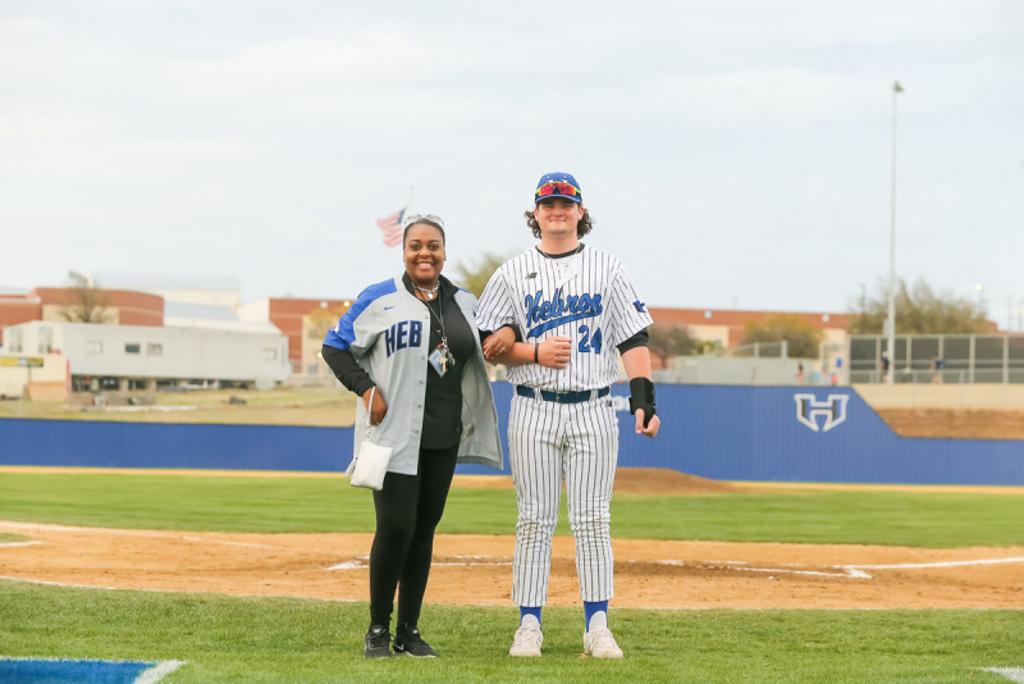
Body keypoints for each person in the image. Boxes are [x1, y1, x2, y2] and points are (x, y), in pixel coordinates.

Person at [476, 172, 661, 659]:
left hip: (595, 405)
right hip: (534, 406)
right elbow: (488, 344)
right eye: (548, 203)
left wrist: (644, 399)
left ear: (581, 212)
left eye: (566, 203)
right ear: (534, 214)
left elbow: (633, 337)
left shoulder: (607, 267)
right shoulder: (511, 273)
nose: (557, 210)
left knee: (593, 520)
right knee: (533, 520)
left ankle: (597, 624)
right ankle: (529, 625)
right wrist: (532, 351)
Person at [321, 214, 502, 658]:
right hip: (393, 434)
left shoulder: (465, 302)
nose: (425, 253)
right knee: (395, 528)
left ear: (444, 251)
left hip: (443, 435)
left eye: (434, 245)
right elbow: (334, 347)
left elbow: (492, 342)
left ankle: (409, 631)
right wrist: (366, 389)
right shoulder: (379, 298)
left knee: (424, 532)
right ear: (403, 251)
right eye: (416, 245)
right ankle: (378, 630)